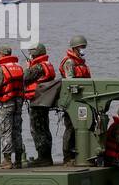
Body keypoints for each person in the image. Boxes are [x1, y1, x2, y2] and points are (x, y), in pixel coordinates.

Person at [21, 42, 58, 166]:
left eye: (30, 53)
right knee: (44, 129)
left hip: (38, 102)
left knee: (37, 130)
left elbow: (25, 77)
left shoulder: (38, 67)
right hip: (44, 101)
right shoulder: (47, 65)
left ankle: (43, 158)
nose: (29, 56)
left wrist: (28, 66)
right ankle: (46, 156)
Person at [58, 36, 91, 165]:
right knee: (70, 128)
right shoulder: (69, 62)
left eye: (84, 47)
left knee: (83, 127)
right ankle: (68, 156)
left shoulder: (82, 63)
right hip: (71, 101)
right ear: (74, 48)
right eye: (81, 47)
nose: (83, 49)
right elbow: (70, 81)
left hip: (82, 101)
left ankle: (80, 154)